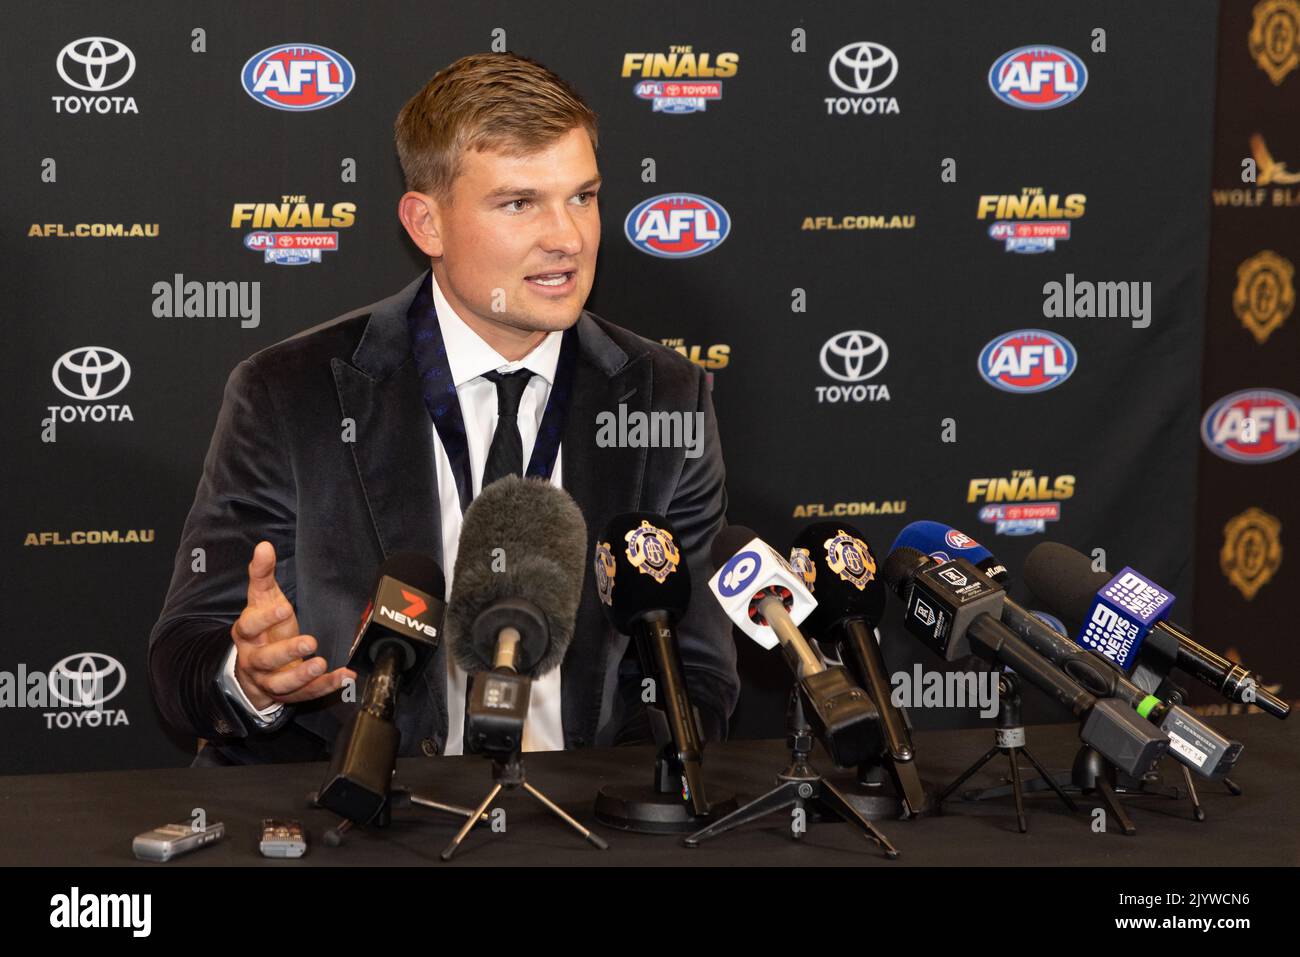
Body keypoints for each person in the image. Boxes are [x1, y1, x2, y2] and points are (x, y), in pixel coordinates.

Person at [148, 52, 739, 765]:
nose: (569, 237)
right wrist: (247, 676)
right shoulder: (290, 393)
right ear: (426, 223)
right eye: (520, 203)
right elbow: (182, 661)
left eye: (582, 196)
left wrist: (614, 791)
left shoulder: (666, 396)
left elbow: (697, 674)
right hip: (368, 821)